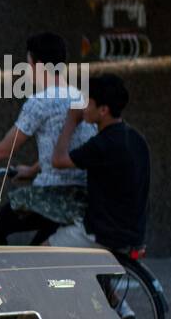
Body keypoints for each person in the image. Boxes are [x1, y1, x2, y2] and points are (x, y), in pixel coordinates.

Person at [0, 32, 95, 244]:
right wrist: (32, 170)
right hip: (81, 196)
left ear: (40, 65)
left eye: (28, 64)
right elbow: (73, 146)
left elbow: (5, 149)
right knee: (39, 256)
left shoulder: (40, 101)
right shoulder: (80, 97)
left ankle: (2, 277)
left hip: (50, 195)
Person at [48, 74, 149, 252]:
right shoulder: (136, 139)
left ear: (103, 110)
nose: (84, 107)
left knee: (41, 253)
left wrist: (71, 120)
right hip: (133, 232)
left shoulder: (101, 144)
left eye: (88, 102)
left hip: (102, 233)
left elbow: (58, 160)